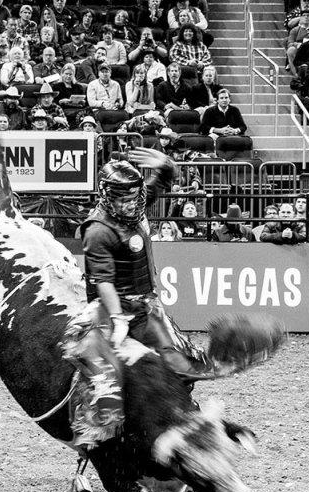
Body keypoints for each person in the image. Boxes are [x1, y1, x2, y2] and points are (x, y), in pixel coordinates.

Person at [62, 147, 213, 451]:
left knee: (183, 364)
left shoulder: (134, 211)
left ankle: (182, 415)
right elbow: (103, 281)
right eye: (124, 199)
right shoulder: (97, 230)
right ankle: (96, 438)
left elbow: (162, 182)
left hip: (145, 308)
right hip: (109, 311)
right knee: (105, 384)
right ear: (108, 196)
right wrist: (117, 318)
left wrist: (166, 165)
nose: (131, 205)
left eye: (135, 197)